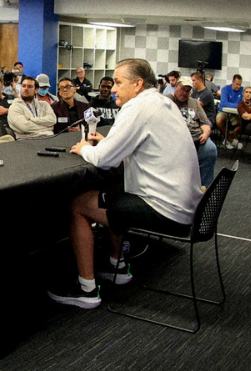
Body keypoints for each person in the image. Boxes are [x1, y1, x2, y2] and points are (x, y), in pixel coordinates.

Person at [58, 58, 203, 308]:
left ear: (137, 84)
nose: (113, 88)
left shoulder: (137, 108)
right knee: (115, 188)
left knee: (78, 205)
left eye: (118, 82)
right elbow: (137, 145)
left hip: (165, 210)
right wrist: (109, 143)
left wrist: (84, 148)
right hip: (185, 206)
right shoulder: (161, 103)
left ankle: (86, 290)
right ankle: (117, 265)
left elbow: (104, 160)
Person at [169, 80, 218, 186]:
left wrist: (206, 134)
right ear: (176, 86)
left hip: (196, 137)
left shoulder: (194, 103)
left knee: (210, 149)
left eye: (188, 91)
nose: (184, 93)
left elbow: (205, 123)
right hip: (176, 138)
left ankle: (203, 187)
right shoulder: (166, 101)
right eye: (182, 89)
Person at [216, 74, 244, 148]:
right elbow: (224, 103)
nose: (238, 86)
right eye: (237, 84)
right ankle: (231, 140)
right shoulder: (225, 89)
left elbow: (243, 104)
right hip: (224, 111)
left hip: (235, 113)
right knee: (219, 121)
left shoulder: (243, 90)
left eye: (240, 84)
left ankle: (228, 139)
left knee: (241, 125)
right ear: (232, 82)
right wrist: (238, 105)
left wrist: (237, 105)